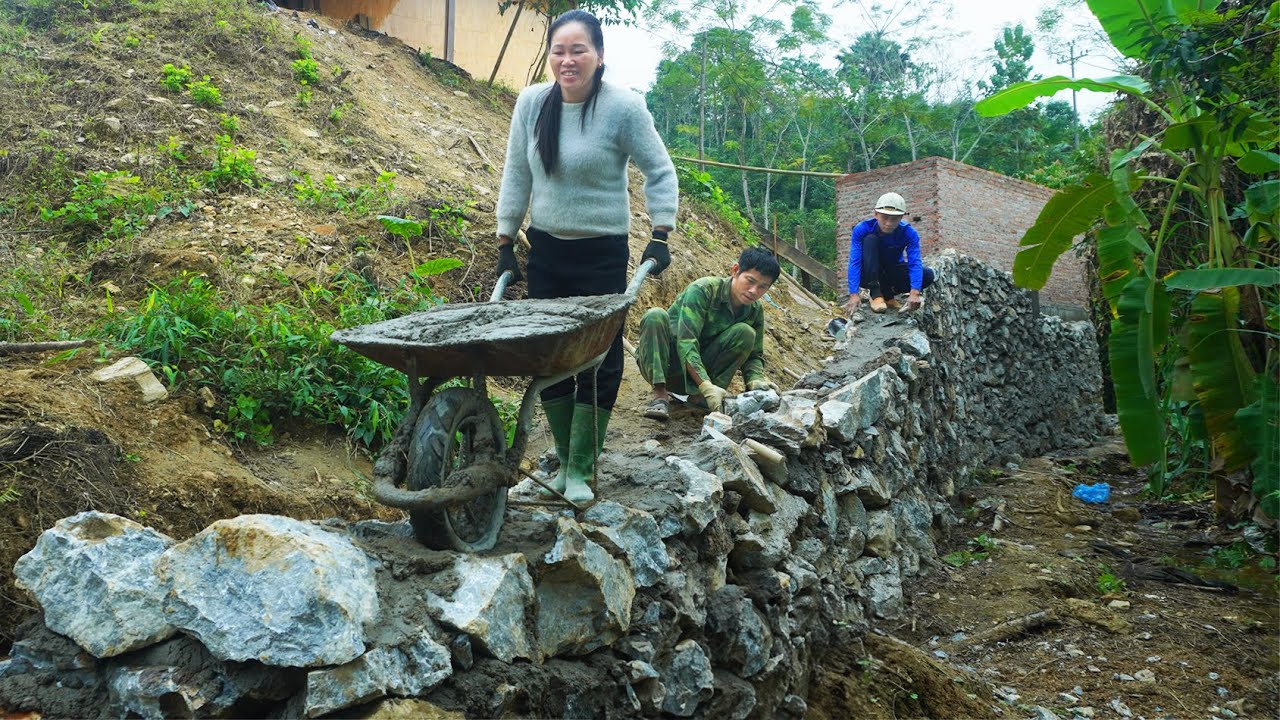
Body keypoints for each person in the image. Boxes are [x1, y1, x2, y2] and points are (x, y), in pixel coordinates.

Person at [494, 9, 677, 505]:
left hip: (601, 252)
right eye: (559, 50)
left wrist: (661, 232)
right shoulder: (532, 104)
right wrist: (505, 241)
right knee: (549, 351)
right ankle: (562, 458)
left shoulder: (623, 108)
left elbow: (659, 171)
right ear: (549, 56)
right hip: (547, 249)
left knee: (597, 356)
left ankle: (581, 468)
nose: (568, 60)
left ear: (599, 56)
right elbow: (517, 173)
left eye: (579, 50)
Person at [635, 247, 782, 421]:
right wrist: (705, 385)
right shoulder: (703, 290)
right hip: (669, 365)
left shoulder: (754, 310)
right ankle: (660, 395)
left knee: (745, 333)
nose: (753, 291)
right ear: (735, 271)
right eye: (750, 281)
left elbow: (754, 356)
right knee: (655, 316)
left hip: (703, 377)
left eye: (762, 287)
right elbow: (686, 342)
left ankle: (706, 399)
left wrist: (756, 380)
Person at [845, 192, 935, 315]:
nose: (888, 223)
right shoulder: (862, 229)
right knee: (870, 240)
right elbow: (854, 262)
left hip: (892, 270)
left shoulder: (909, 233)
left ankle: (888, 295)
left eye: (894, 219)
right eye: (885, 217)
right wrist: (854, 294)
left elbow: (915, 263)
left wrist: (915, 293)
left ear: (902, 217)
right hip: (868, 273)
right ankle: (876, 294)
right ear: (876, 215)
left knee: (928, 275)